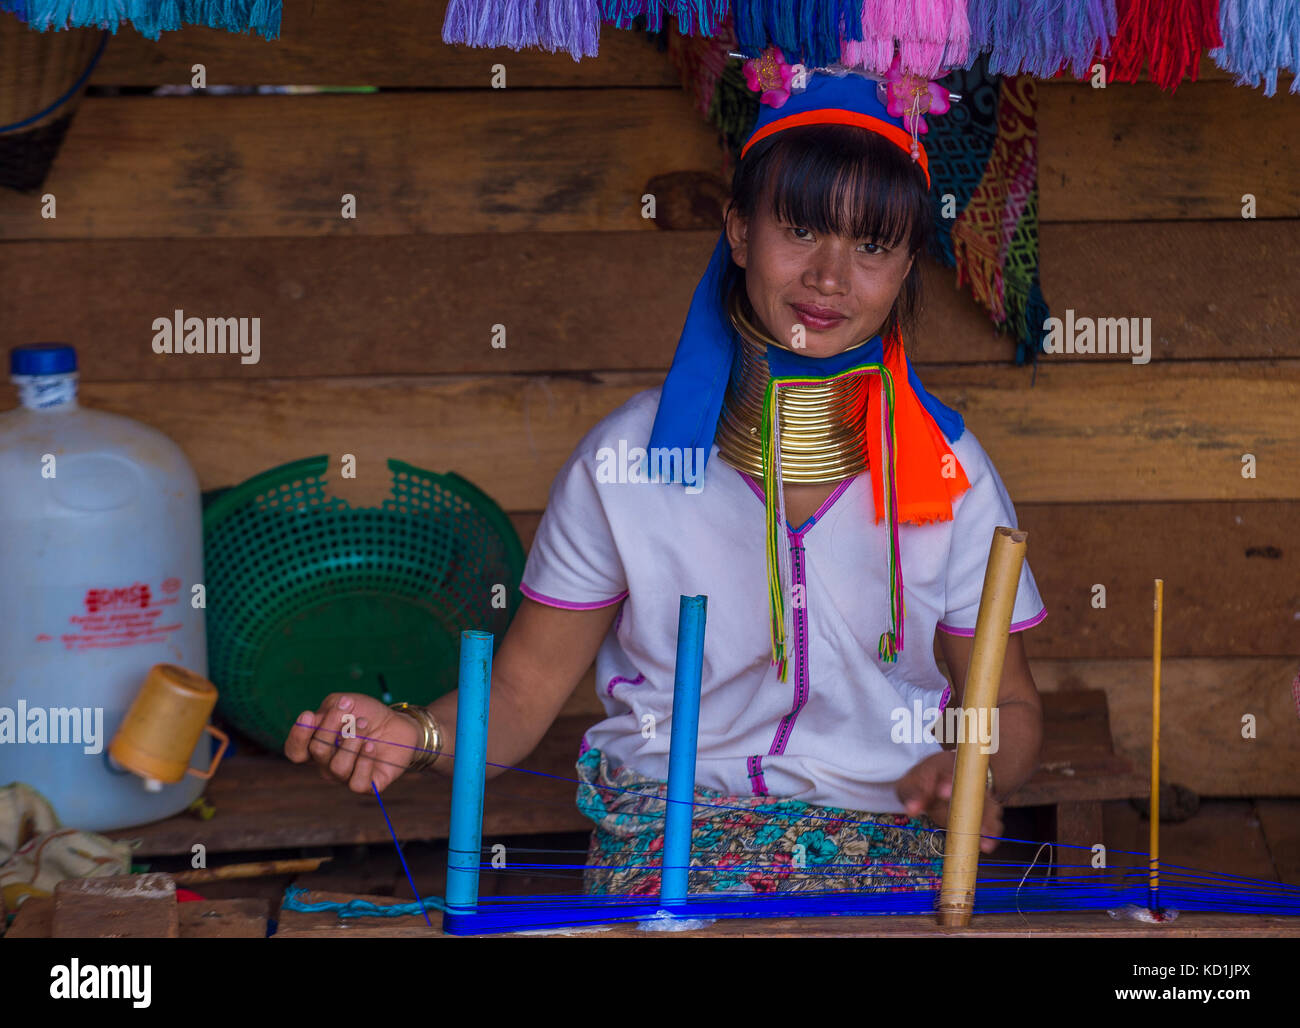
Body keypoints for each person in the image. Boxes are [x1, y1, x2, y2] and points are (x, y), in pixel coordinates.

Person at [286, 66, 1045, 899]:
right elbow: (518, 694)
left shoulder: (951, 472)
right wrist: (416, 734)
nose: (832, 277)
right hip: (670, 841)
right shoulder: (623, 465)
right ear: (740, 231)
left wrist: (969, 773)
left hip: (886, 842)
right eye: (800, 230)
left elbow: (1006, 704)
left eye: (872, 246)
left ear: (906, 266)